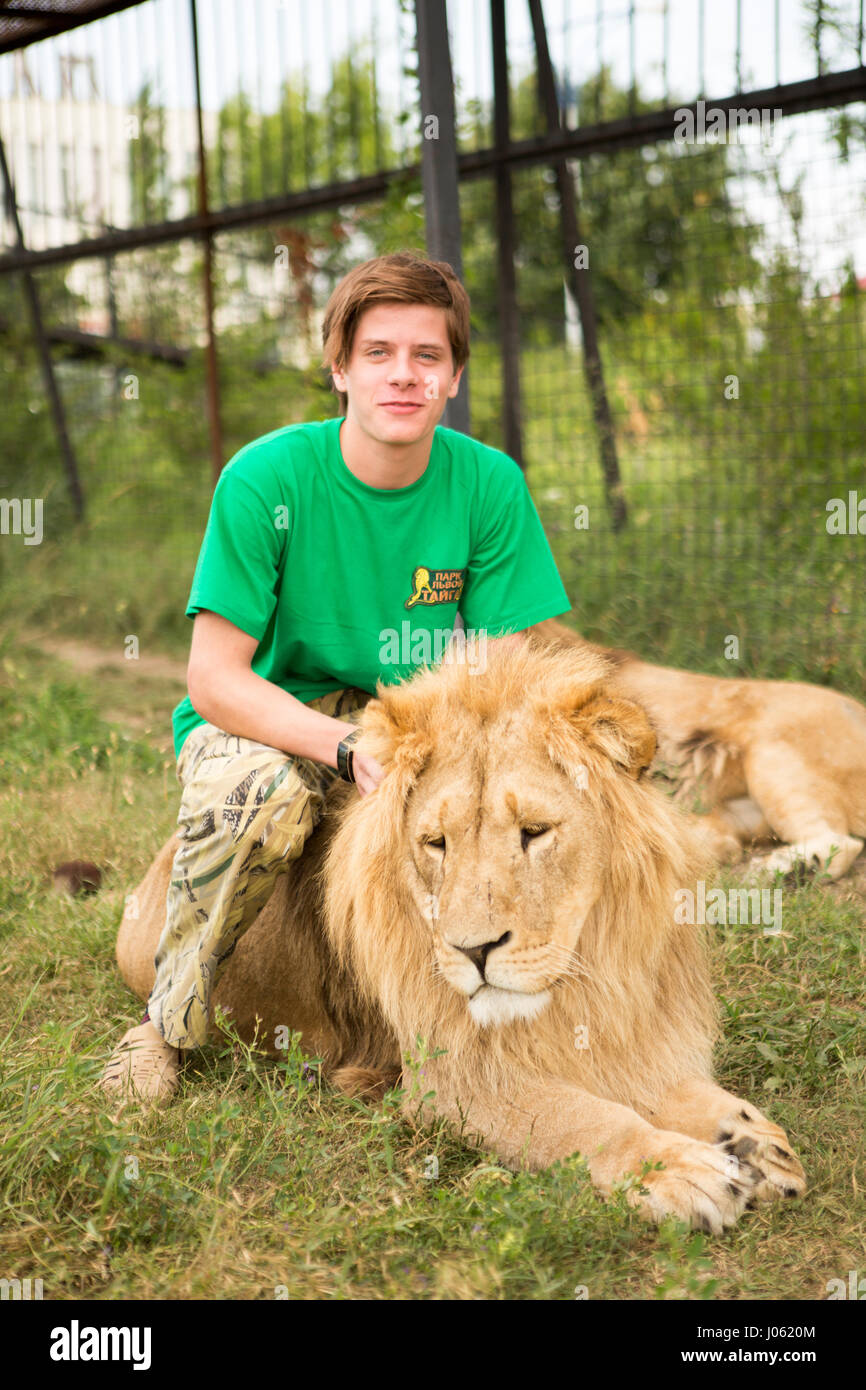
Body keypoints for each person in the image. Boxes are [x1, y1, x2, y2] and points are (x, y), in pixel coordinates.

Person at [100, 249, 571, 1103]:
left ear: (454, 375)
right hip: (270, 714)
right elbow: (215, 679)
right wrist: (345, 746)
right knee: (262, 801)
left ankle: (491, 1010)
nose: (404, 375)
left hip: (413, 713)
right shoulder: (266, 477)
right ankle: (164, 1024)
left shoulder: (488, 484)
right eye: (379, 353)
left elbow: (512, 660)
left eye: (427, 356)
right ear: (340, 368)